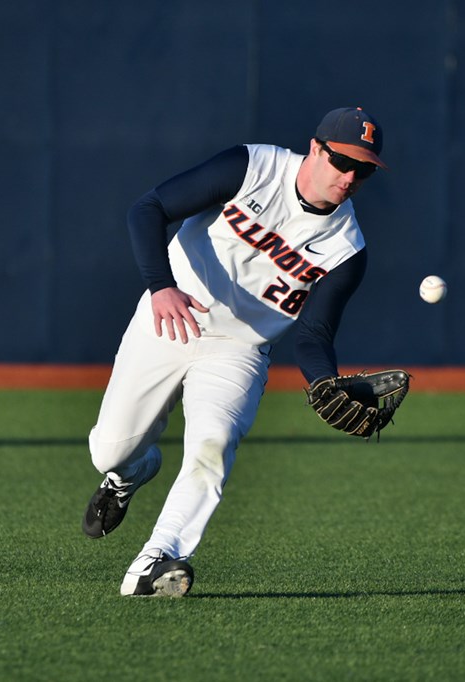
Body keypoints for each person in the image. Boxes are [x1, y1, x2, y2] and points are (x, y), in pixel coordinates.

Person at [82, 106, 389, 597]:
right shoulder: (253, 167)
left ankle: (157, 560)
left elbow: (313, 333)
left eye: (364, 169)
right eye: (341, 161)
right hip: (172, 314)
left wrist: (323, 382)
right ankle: (131, 473)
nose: (350, 176)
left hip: (240, 351)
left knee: (212, 447)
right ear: (315, 148)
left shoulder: (346, 249)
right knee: (108, 450)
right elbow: (148, 208)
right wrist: (160, 287)